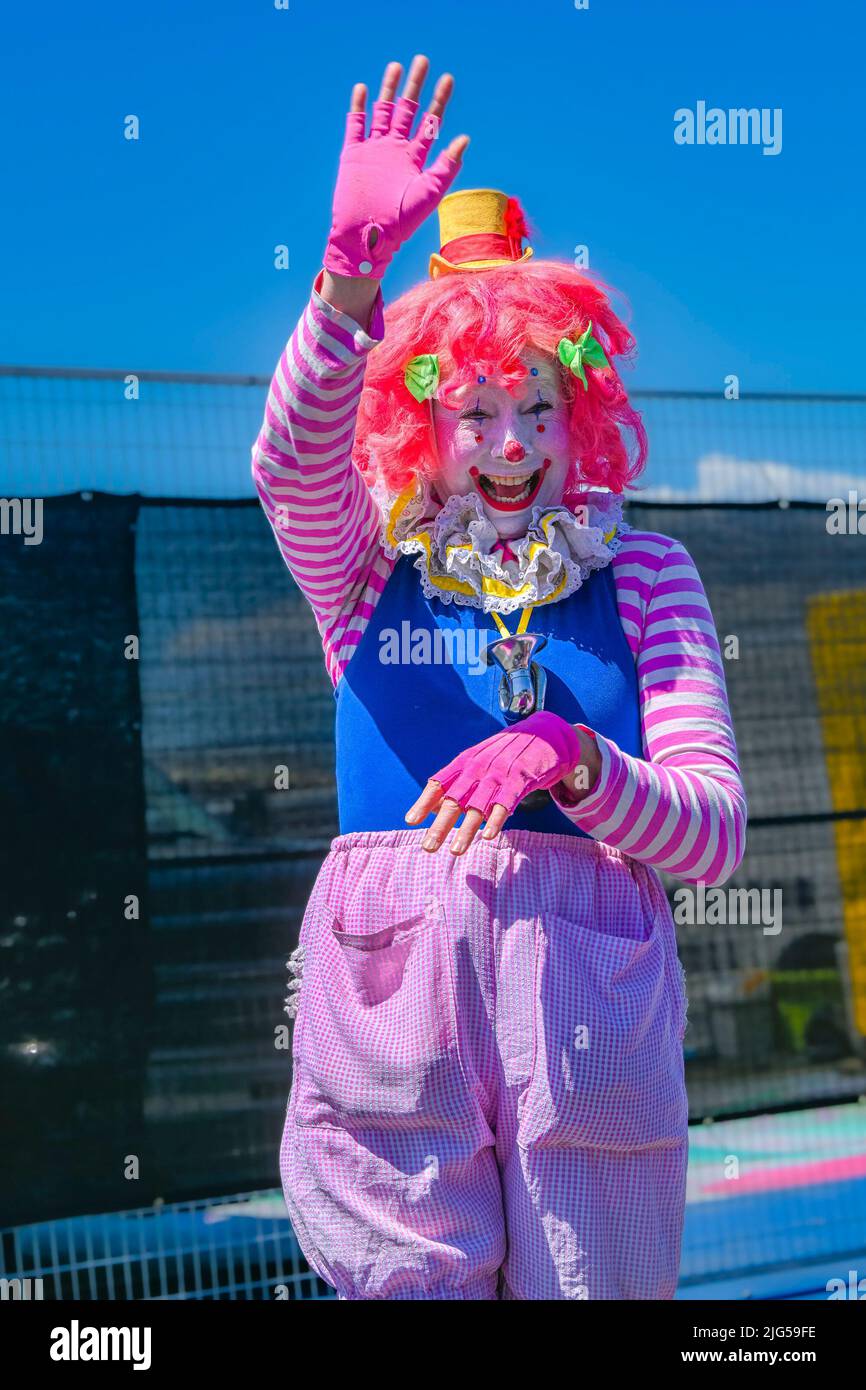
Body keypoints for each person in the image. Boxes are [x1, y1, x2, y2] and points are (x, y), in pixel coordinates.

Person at [251, 54, 747, 1300]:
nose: (510, 445)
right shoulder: (364, 572)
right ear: (423, 428)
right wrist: (350, 280)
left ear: (582, 418)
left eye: (536, 409)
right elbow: (287, 468)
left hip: (588, 1016)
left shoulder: (647, 573)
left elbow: (712, 834)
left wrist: (574, 761)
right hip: (391, 1008)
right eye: (473, 414)